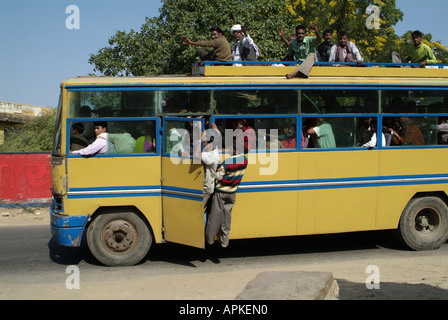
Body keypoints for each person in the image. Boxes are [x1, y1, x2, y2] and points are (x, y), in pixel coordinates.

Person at [205, 141, 248, 248]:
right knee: (227, 216)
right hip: (232, 192)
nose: (228, 150)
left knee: (215, 215)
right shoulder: (245, 160)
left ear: (235, 150)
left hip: (221, 192)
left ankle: (210, 239)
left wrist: (214, 172)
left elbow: (219, 176)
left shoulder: (228, 162)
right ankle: (224, 240)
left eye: (230, 149)